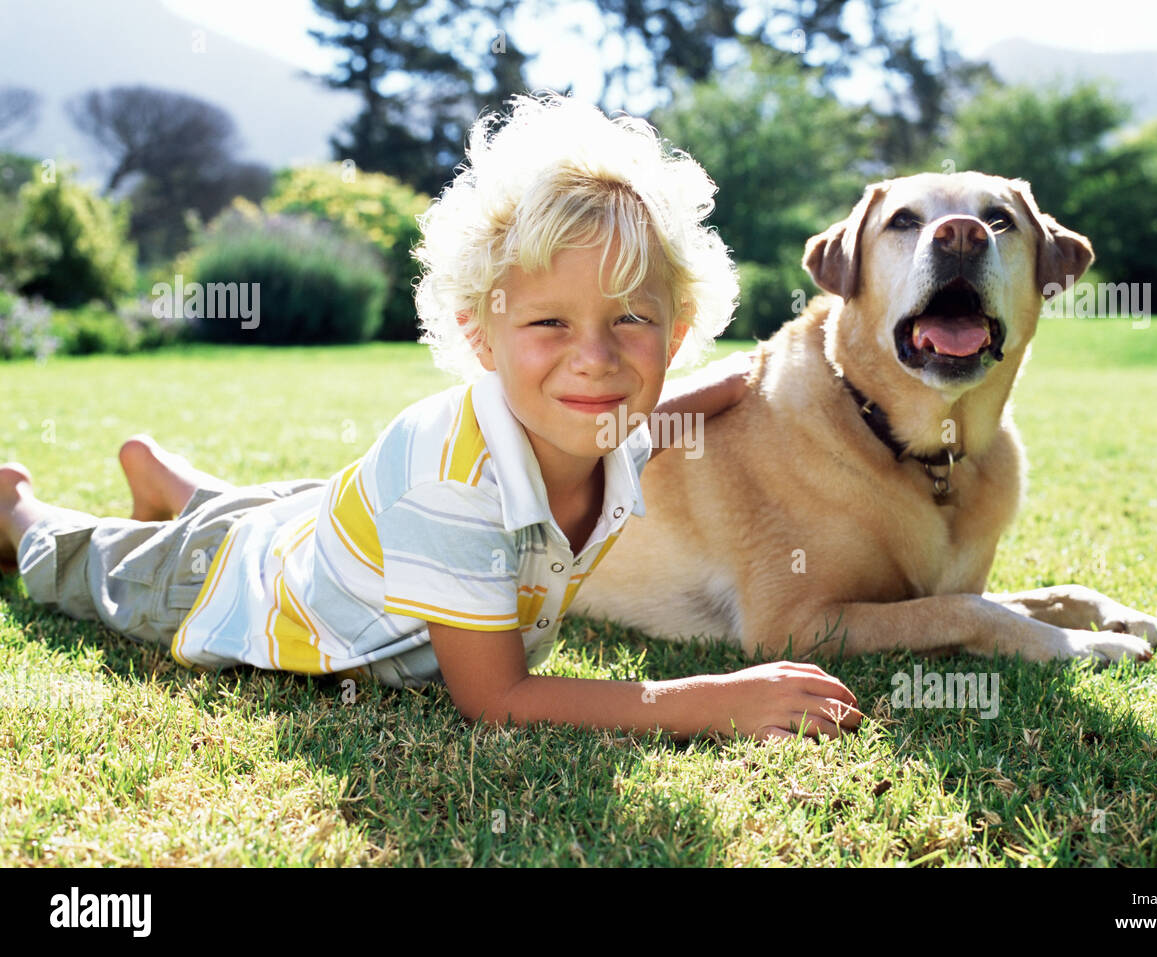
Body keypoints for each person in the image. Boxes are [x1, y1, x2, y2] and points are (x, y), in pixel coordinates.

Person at [0, 92, 860, 742]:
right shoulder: (450, 483)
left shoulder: (598, 417)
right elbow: (497, 697)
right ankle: (24, 513)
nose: (594, 356)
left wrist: (749, 378)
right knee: (97, 567)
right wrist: (715, 698)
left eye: (629, 320)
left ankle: (180, 485)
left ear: (674, 333)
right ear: (479, 334)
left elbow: (653, 404)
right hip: (231, 585)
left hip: (330, 524)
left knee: (275, 517)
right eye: (549, 322)